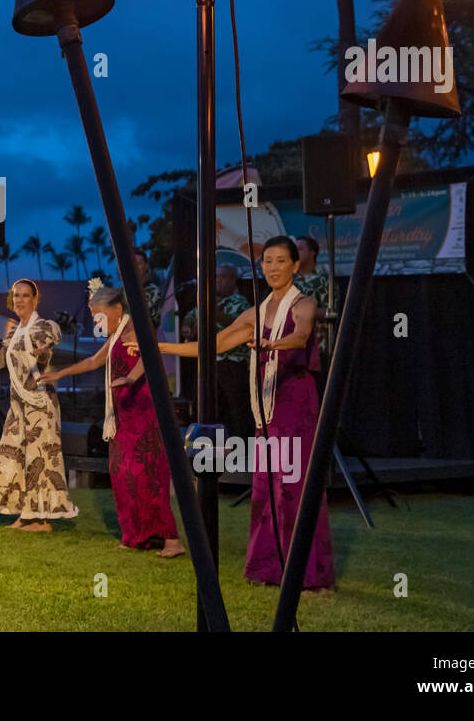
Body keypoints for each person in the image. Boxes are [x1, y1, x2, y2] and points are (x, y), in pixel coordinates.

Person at [137, 236, 335, 593]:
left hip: (294, 409)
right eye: (267, 261)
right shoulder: (254, 314)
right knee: (265, 489)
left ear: (294, 265)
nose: (273, 268)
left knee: (294, 488)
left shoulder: (303, 303)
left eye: (280, 261)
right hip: (266, 409)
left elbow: (302, 334)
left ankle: (311, 577)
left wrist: (274, 343)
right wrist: (158, 346)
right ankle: (268, 568)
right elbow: (211, 345)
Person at [40, 285, 184, 557]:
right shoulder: (117, 333)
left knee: (148, 475)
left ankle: (172, 540)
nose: (97, 323)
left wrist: (131, 377)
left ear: (117, 310)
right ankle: (136, 535)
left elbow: (149, 357)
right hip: (122, 414)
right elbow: (95, 361)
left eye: (100, 316)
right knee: (122, 475)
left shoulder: (137, 329)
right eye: (95, 318)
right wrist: (60, 374)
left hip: (142, 412)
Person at [0, 279, 78, 530]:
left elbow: (48, 341)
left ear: (35, 299)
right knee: (13, 456)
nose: (19, 300)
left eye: (25, 295)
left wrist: (42, 350)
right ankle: (26, 514)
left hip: (40, 403)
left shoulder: (42, 326)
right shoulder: (13, 332)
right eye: (15, 295)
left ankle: (39, 520)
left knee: (39, 459)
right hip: (18, 406)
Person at [181, 264, 255, 440]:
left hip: (233, 361)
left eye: (222, 278)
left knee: (237, 408)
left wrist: (211, 309)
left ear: (233, 280)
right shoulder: (210, 300)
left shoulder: (240, 302)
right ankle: (214, 446)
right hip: (210, 362)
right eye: (216, 278)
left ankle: (242, 447)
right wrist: (188, 325)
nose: (218, 282)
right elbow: (192, 314)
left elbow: (236, 324)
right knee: (208, 406)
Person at [294, 235, 332, 401]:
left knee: (318, 394)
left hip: (317, 346)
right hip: (291, 347)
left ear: (313, 253)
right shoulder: (287, 280)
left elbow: (332, 312)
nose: (296, 253)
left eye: (300, 249)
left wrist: (305, 311)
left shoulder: (324, 280)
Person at [132, 249, 162, 328]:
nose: (135, 267)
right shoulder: (124, 291)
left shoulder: (154, 291)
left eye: (139, 264)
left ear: (146, 265)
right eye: (132, 264)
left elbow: (154, 321)